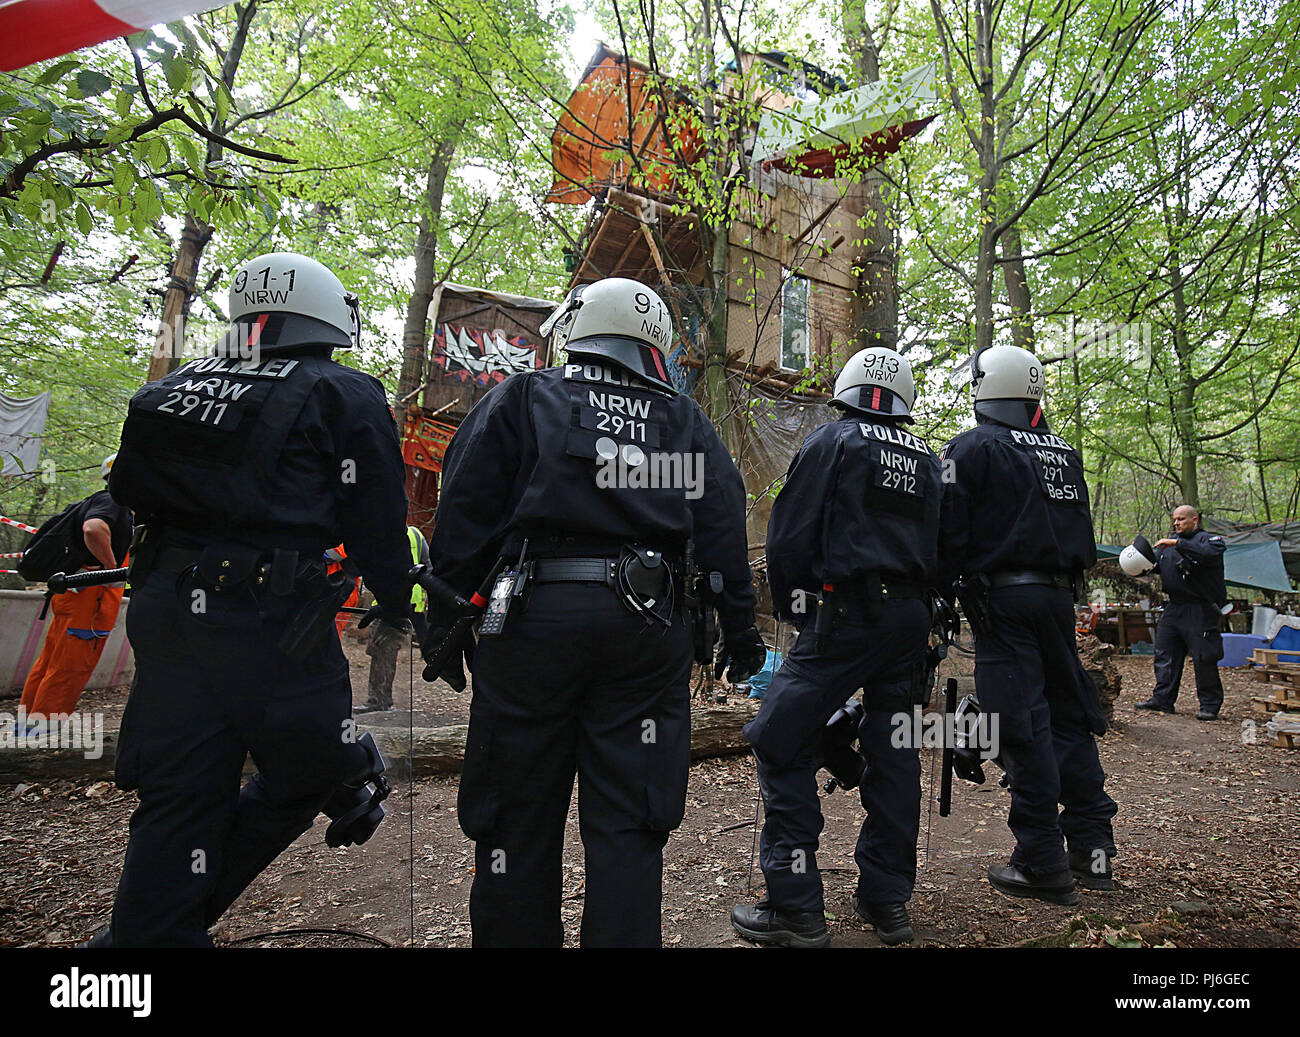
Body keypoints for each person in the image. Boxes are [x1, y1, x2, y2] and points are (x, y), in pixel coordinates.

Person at [425, 276, 764, 947]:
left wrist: (447, 623)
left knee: (514, 818)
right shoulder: (683, 420)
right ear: (655, 343)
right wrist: (741, 628)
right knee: (630, 824)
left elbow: (464, 512)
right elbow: (724, 525)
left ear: (578, 329)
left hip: (528, 624)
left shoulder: (522, 397)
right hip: (644, 633)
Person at [95, 252, 413, 947]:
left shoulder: (173, 389)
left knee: (180, 794)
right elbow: (379, 520)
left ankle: (148, 937)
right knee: (316, 765)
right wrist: (400, 599)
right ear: (328, 314)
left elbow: (128, 494)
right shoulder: (344, 392)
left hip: (166, 610)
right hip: (271, 617)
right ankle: (153, 932)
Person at [730, 346, 942, 949]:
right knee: (895, 748)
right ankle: (888, 902)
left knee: (779, 738)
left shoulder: (832, 442)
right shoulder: (927, 459)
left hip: (842, 614)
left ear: (847, 389)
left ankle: (795, 907)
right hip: (907, 620)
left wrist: (801, 612)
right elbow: (940, 546)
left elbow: (791, 535)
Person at [939, 344, 1117, 904]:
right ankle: (1093, 852)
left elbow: (946, 531)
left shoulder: (969, 448)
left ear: (985, 387)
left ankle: (1041, 862)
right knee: (1068, 717)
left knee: (1022, 726)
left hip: (1005, 607)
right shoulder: (1064, 453)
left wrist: (941, 589)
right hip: (1056, 601)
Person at [19, 454, 132, 724]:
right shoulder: (113, 502)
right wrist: (110, 568)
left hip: (73, 593)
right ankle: (45, 726)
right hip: (90, 598)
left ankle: (29, 721)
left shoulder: (96, 500)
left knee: (51, 660)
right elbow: (93, 529)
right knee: (71, 665)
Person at [1135, 506, 1227, 720]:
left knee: (1204, 656)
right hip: (1174, 607)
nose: (1176, 523)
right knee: (1164, 652)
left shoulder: (1209, 541)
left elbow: (1208, 554)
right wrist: (1135, 560)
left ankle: (1209, 705)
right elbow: (1150, 565)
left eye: (1181, 519)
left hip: (1200, 608)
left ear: (1194, 519)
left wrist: (1177, 543)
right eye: (1174, 519)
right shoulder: (1166, 547)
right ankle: (1163, 700)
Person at [359, 525, 431, 712]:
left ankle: (379, 699)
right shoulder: (408, 534)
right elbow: (429, 567)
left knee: (386, 649)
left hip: (399, 604)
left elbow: (428, 567)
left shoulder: (390, 534)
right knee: (379, 649)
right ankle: (380, 698)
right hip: (391, 603)